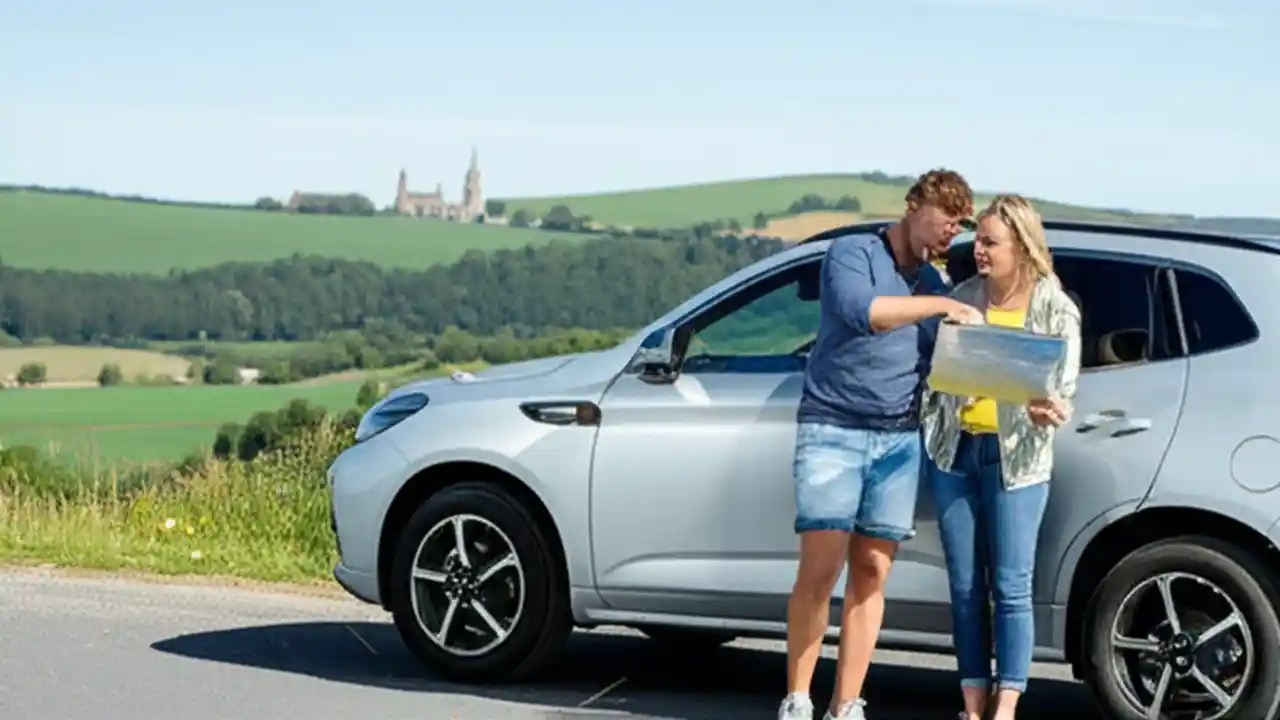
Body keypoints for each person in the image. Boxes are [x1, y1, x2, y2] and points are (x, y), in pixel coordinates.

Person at [779, 169, 983, 720]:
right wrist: (940, 308)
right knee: (820, 570)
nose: (952, 232)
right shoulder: (853, 253)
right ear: (915, 206)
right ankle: (798, 697)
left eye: (961, 223)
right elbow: (864, 313)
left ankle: (846, 704)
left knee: (872, 573)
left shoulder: (935, 285)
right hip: (833, 431)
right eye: (946, 218)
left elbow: (954, 363)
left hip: (897, 440)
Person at [920, 194, 1082, 720]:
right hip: (957, 454)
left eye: (991, 242)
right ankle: (972, 703)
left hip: (1018, 462)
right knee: (966, 587)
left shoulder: (1054, 308)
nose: (979, 250)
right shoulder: (963, 299)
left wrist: (1051, 410)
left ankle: (1006, 706)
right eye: (978, 240)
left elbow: (1064, 390)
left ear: (1023, 246)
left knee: (1011, 586)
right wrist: (947, 395)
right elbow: (936, 383)